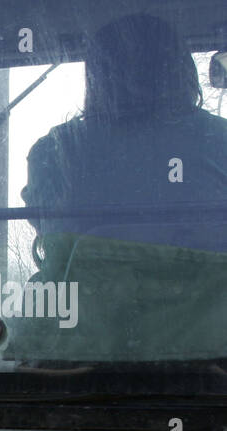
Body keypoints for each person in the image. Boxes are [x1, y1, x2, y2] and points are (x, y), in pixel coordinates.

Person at [22, 12, 227, 256]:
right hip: (209, 295)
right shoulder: (219, 140)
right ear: (181, 72)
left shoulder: (53, 152)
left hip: (83, 295)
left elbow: (48, 231)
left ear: (97, 78)